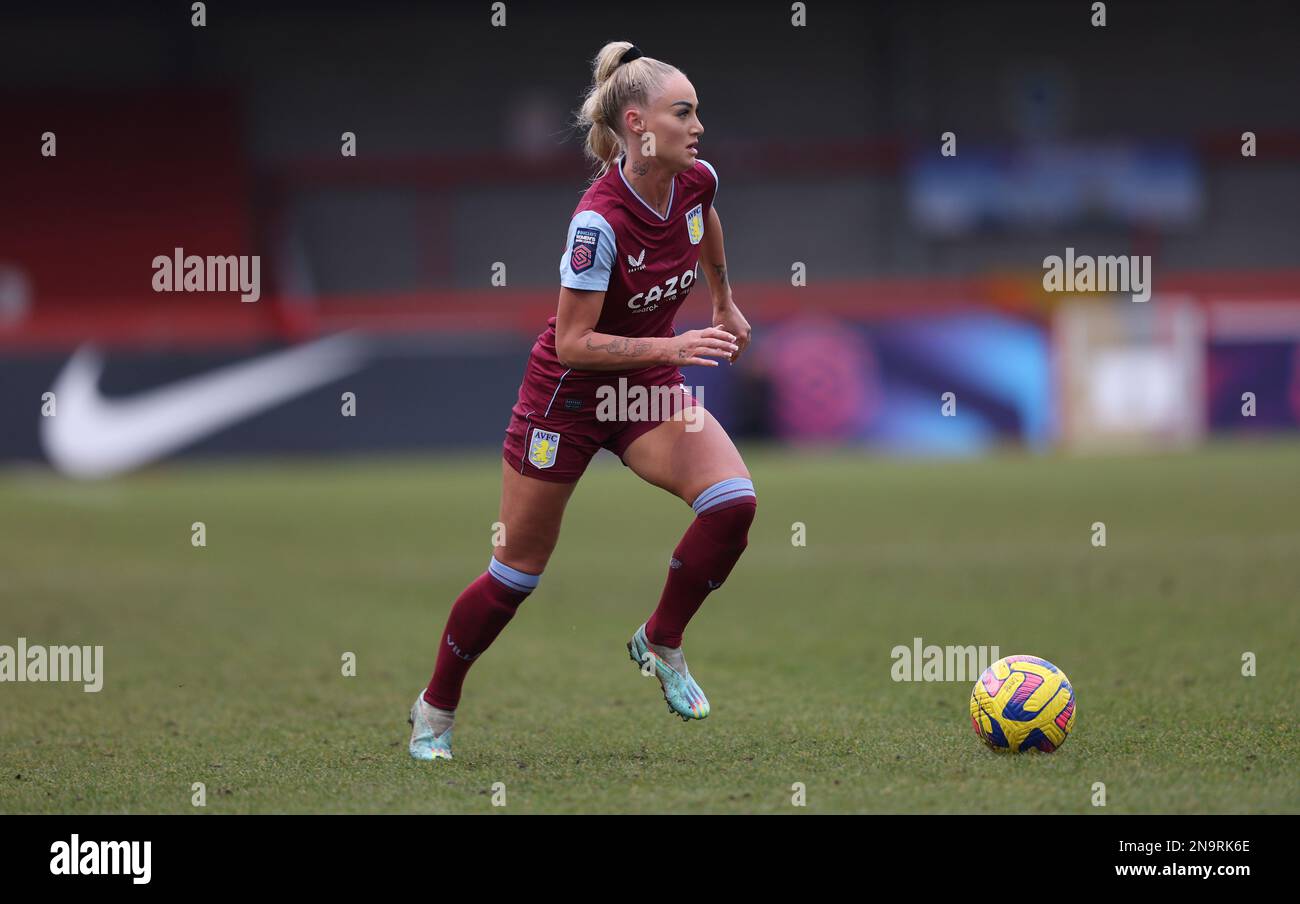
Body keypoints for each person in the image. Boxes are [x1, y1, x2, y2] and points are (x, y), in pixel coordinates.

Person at [409, 41, 756, 761]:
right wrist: (674, 346)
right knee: (514, 576)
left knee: (733, 503)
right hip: (564, 403)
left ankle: (661, 639)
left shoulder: (695, 181)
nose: (698, 127)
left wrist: (723, 301)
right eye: (683, 112)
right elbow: (573, 343)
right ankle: (435, 710)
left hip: (645, 390)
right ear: (638, 124)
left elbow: (708, 221)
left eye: (698, 112)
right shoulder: (598, 222)